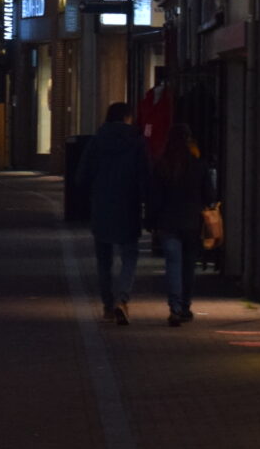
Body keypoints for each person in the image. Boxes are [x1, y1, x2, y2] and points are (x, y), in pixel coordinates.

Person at [75, 102, 149, 325]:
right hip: (128, 206)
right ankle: (122, 298)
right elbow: (145, 177)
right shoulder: (137, 143)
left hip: (102, 206)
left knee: (104, 260)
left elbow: (81, 176)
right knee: (129, 255)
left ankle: (107, 305)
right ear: (128, 117)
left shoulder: (97, 142)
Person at [150, 122, 212, 327]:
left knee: (173, 265)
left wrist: (152, 221)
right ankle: (185, 306)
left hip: (168, 222)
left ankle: (174, 307)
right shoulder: (199, 165)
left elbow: (155, 198)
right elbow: (210, 196)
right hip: (192, 223)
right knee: (188, 266)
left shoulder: (161, 165)